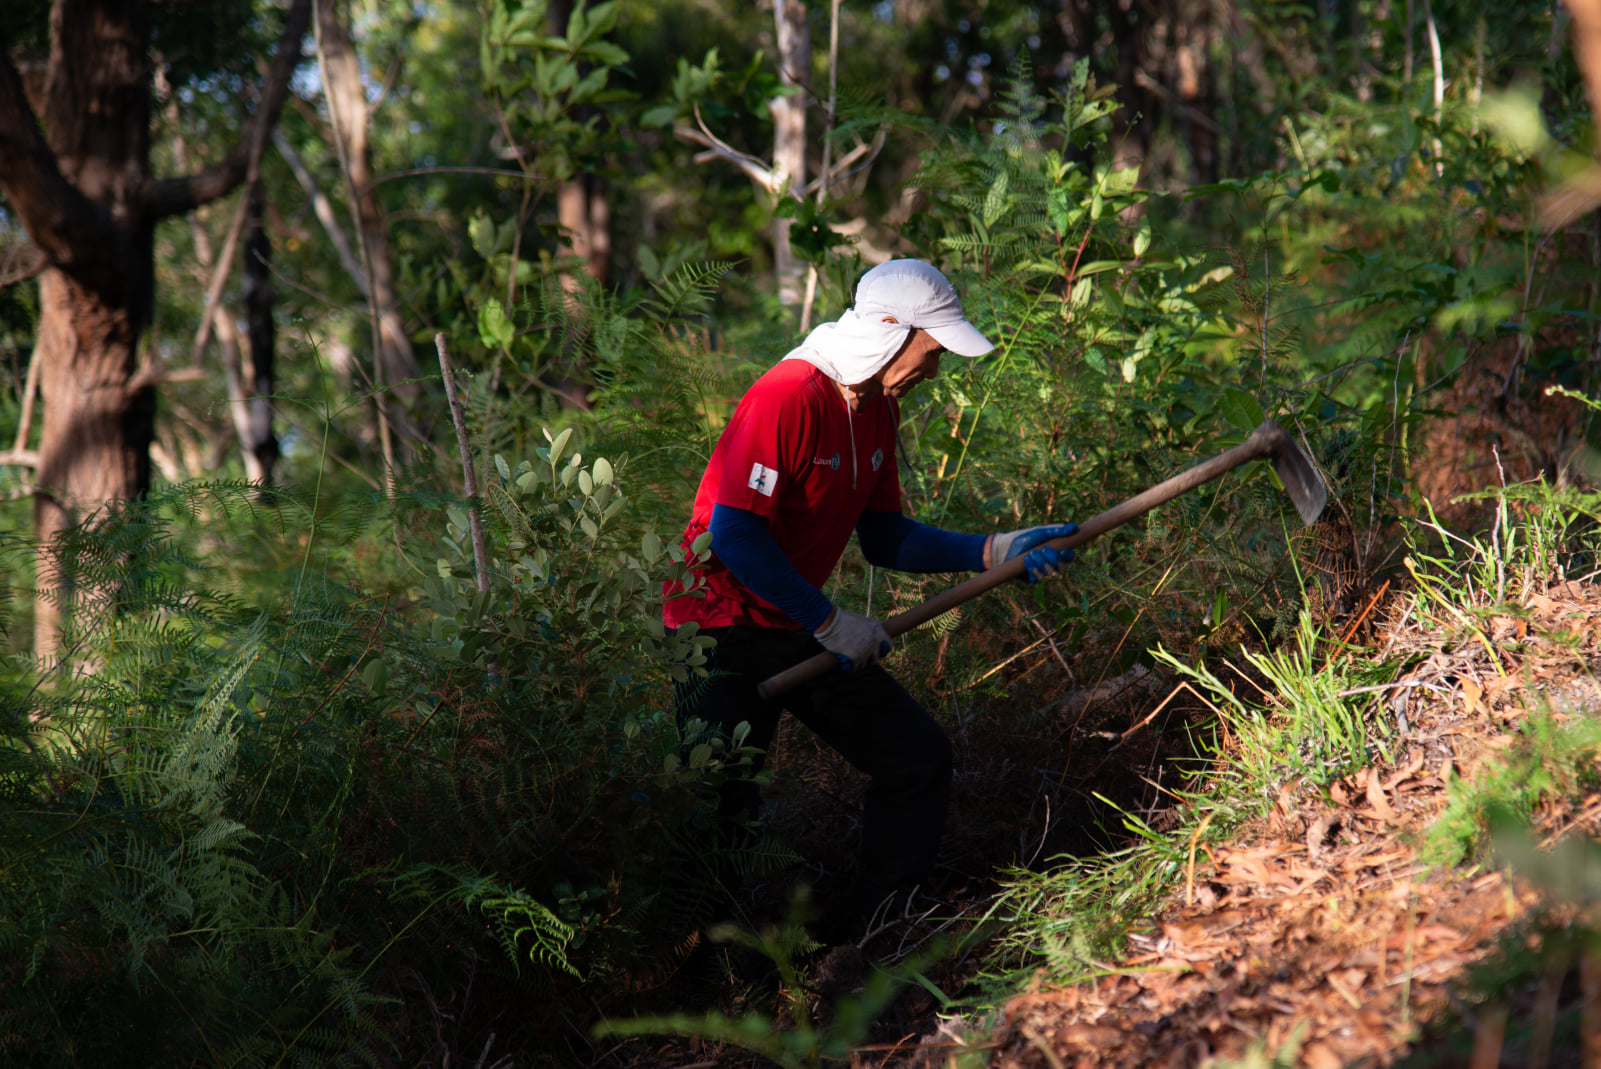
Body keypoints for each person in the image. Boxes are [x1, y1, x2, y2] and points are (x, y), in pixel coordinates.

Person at [665, 258, 1076, 939]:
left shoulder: (876, 411)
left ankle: (877, 932)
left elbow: (884, 537)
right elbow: (732, 534)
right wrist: (828, 621)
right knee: (721, 807)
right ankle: (699, 981)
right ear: (891, 333)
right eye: (932, 349)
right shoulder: (788, 394)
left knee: (915, 755)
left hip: (792, 615)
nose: (934, 369)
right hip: (717, 623)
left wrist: (994, 548)